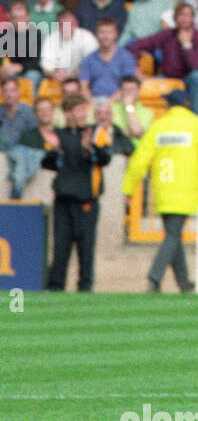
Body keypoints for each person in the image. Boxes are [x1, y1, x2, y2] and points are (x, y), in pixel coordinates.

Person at [122, 89, 198, 292]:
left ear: (169, 106)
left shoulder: (158, 126)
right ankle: (155, 277)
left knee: (173, 235)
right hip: (186, 190)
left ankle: (184, 283)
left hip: (163, 187)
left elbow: (139, 161)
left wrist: (129, 188)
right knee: (173, 235)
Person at [43, 93, 112, 292]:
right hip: (63, 199)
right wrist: (56, 150)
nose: (84, 114)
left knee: (86, 247)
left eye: (84, 109)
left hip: (87, 200)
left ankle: (85, 288)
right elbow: (47, 163)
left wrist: (89, 149)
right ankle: (55, 288)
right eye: (79, 110)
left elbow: (105, 159)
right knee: (60, 247)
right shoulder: (58, 135)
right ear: (68, 113)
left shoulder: (96, 132)